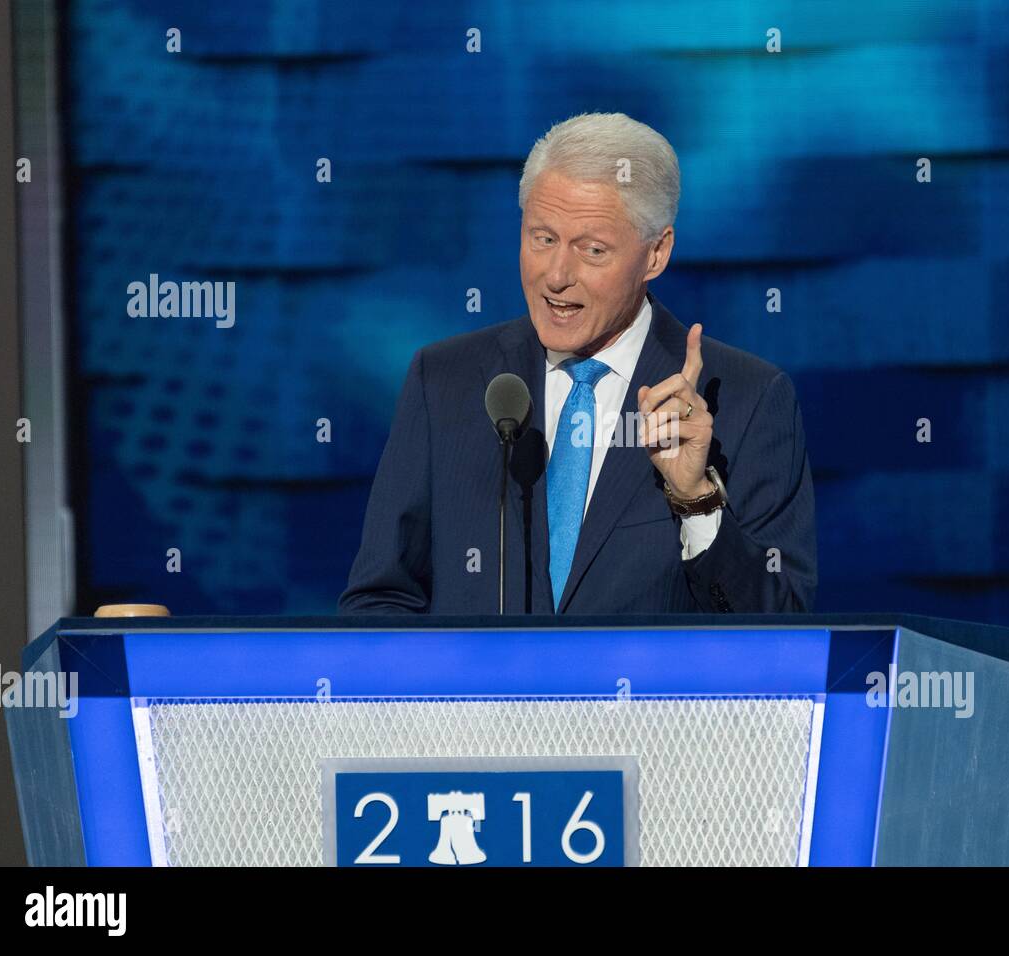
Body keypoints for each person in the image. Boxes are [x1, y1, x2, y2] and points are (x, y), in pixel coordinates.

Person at [339, 112, 815, 614]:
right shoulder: (444, 382)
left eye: (592, 250)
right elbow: (380, 600)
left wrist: (695, 498)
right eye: (542, 239)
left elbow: (781, 629)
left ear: (656, 254)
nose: (556, 275)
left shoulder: (745, 399)